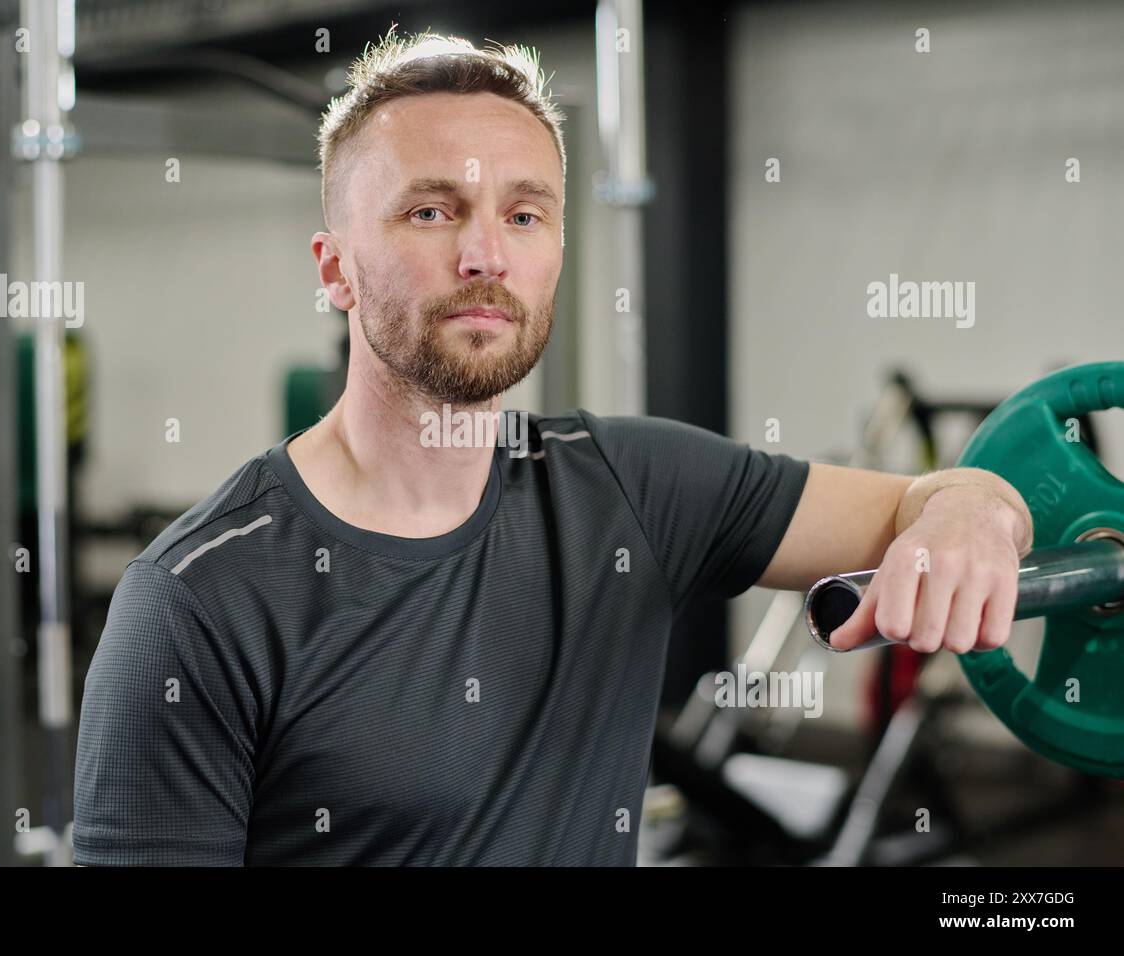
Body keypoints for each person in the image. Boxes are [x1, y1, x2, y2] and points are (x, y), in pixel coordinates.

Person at [73, 28, 1032, 866]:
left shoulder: (634, 486)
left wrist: (973, 515)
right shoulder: (200, 602)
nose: (487, 254)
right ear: (336, 271)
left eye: (523, 215)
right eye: (432, 210)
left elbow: (935, 496)